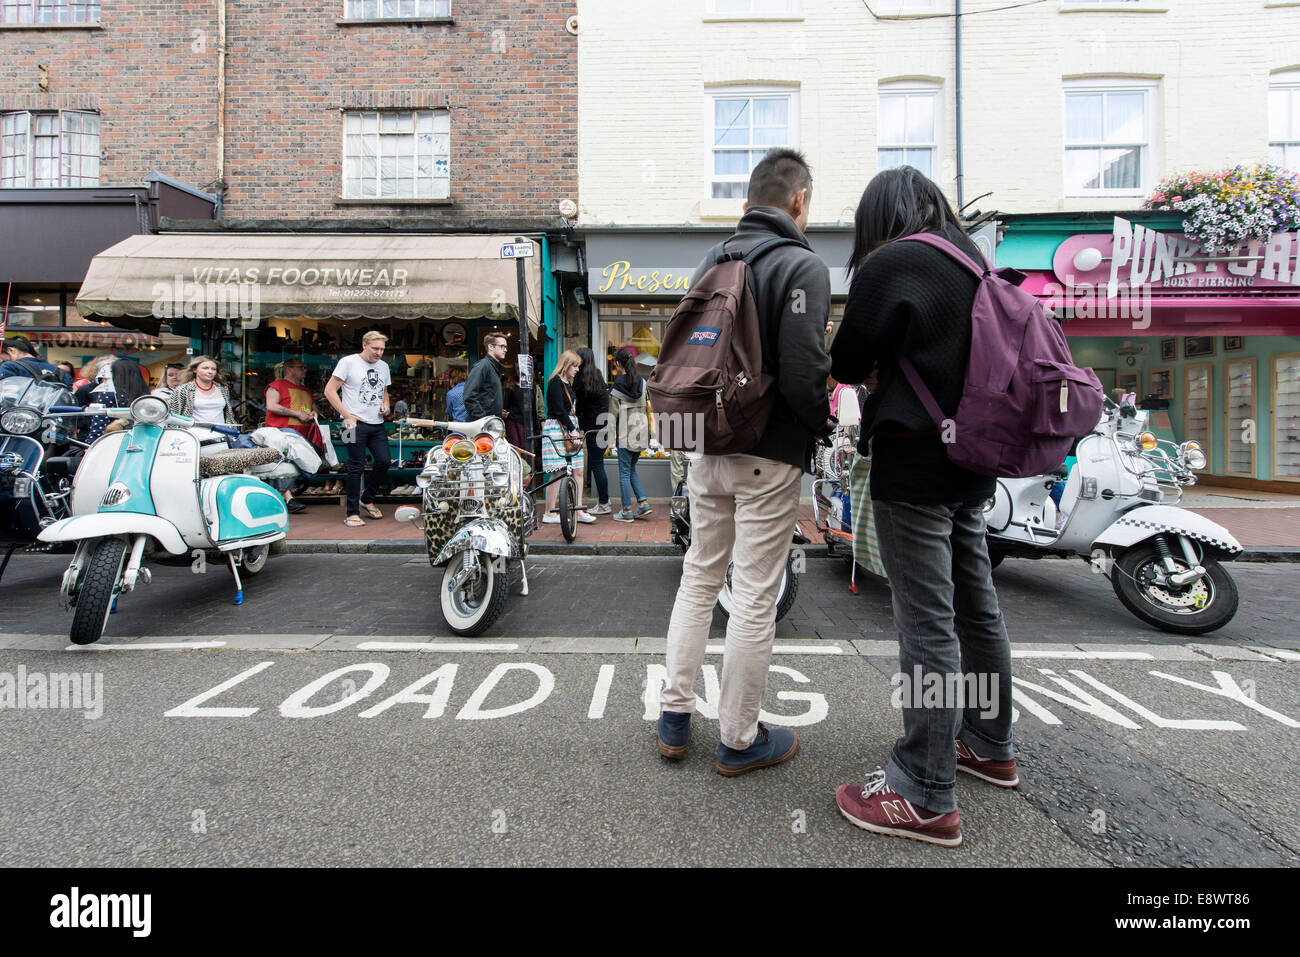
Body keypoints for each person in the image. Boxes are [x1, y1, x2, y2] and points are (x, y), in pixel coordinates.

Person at [828, 165, 1014, 849]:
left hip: (914, 464)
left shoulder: (894, 263)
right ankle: (989, 741)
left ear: (879, 218)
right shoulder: (974, 261)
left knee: (927, 627)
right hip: (973, 461)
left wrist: (871, 363)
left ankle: (925, 790)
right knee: (977, 607)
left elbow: (845, 360)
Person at [657, 148, 831, 775]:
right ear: (800, 201)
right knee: (753, 594)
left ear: (747, 201)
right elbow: (808, 372)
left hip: (706, 445)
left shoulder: (716, 259)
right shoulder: (802, 264)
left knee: (699, 577)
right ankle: (737, 738)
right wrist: (822, 425)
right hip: (769, 452)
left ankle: (673, 718)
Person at [325, 330, 391, 528]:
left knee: (385, 461)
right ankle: (351, 512)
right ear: (364, 345)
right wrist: (346, 415)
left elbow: (384, 391)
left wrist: (386, 404)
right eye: (375, 348)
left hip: (377, 423)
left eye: (382, 349)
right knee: (355, 465)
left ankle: (367, 498)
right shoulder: (348, 362)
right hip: (350, 424)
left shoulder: (384, 366)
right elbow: (329, 391)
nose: (379, 353)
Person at [540, 349, 594, 525]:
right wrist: (573, 430)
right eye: (575, 366)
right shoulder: (555, 382)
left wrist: (574, 429)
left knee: (578, 469)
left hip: (571, 428)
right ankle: (549, 512)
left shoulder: (567, 384)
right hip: (558, 428)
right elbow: (557, 410)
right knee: (558, 471)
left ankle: (577, 509)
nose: (577, 369)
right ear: (566, 365)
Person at [265, 357, 316, 513]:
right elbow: (271, 406)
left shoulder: (306, 390)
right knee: (282, 464)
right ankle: (289, 498)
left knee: (296, 466)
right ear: (289, 369)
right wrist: (297, 414)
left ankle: (287, 496)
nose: (304, 371)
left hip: (301, 433)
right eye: (301, 367)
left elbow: (313, 407)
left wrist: (313, 413)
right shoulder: (276, 386)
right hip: (281, 432)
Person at [607, 347, 652, 522]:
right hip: (640, 433)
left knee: (624, 473)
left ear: (618, 363)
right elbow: (647, 408)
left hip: (626, 435)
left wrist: (610, 442)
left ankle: (626, 511)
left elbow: (612, 417)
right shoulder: (642, 382)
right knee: (631, 469)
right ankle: (643, 503)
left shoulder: (618, 384)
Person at [573, 346, 611, 515]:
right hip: (603, 426)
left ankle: (604, 502)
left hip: (591, 429)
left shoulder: (580, 381)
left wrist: (580, 426)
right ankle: (604, 501)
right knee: (598, 464)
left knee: (596, 465)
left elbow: (580, 408)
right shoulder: (598, 376)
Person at [168, 356, 237, 426]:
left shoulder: (223, 389)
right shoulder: (184, 390)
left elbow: (229, 414)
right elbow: (173, 417)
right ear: (195, 370)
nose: (210, 372)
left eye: (213, 369)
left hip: (221, 433)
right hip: (194, 434)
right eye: (205, 368)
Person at [464, 333, 507, 419]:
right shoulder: (483, 365)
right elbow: (469, 396)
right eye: (502, 346)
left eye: (506, 347)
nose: (505, 350)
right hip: (483, 427)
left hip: (490, 425)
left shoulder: (492, 367)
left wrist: (497, 412)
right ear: (491, 347)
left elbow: (487, 398)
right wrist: (483, 419)